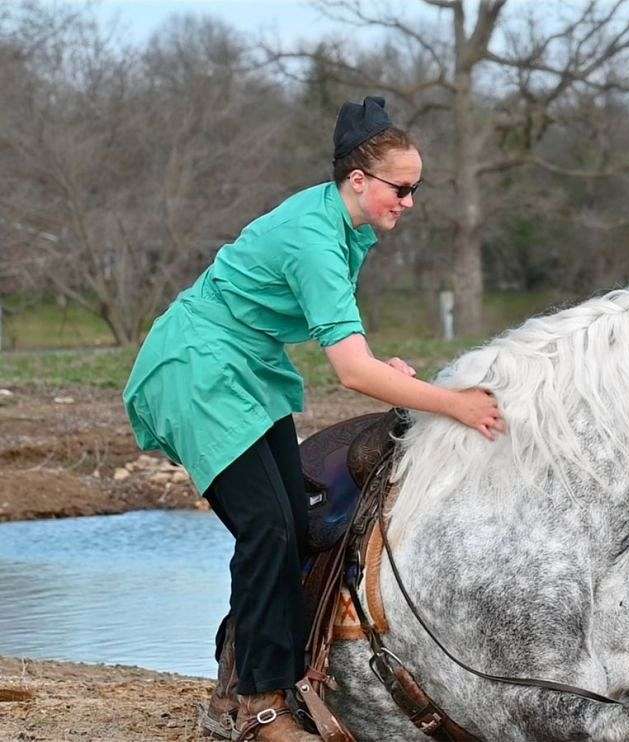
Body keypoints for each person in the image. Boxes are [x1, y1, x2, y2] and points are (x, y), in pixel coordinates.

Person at [123, 96, 503, 741]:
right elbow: (351, 373)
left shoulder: (343, 226)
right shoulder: (315, 239)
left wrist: (383, 364)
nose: (410, 201)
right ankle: (259, 708)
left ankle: (244, 682)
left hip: (245, 364)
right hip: (196, 367)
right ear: (359, 179)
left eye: (416, 189)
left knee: (295, 527)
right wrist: (456, 403)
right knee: (267, 528)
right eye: (401, 188)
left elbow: (349, 344)